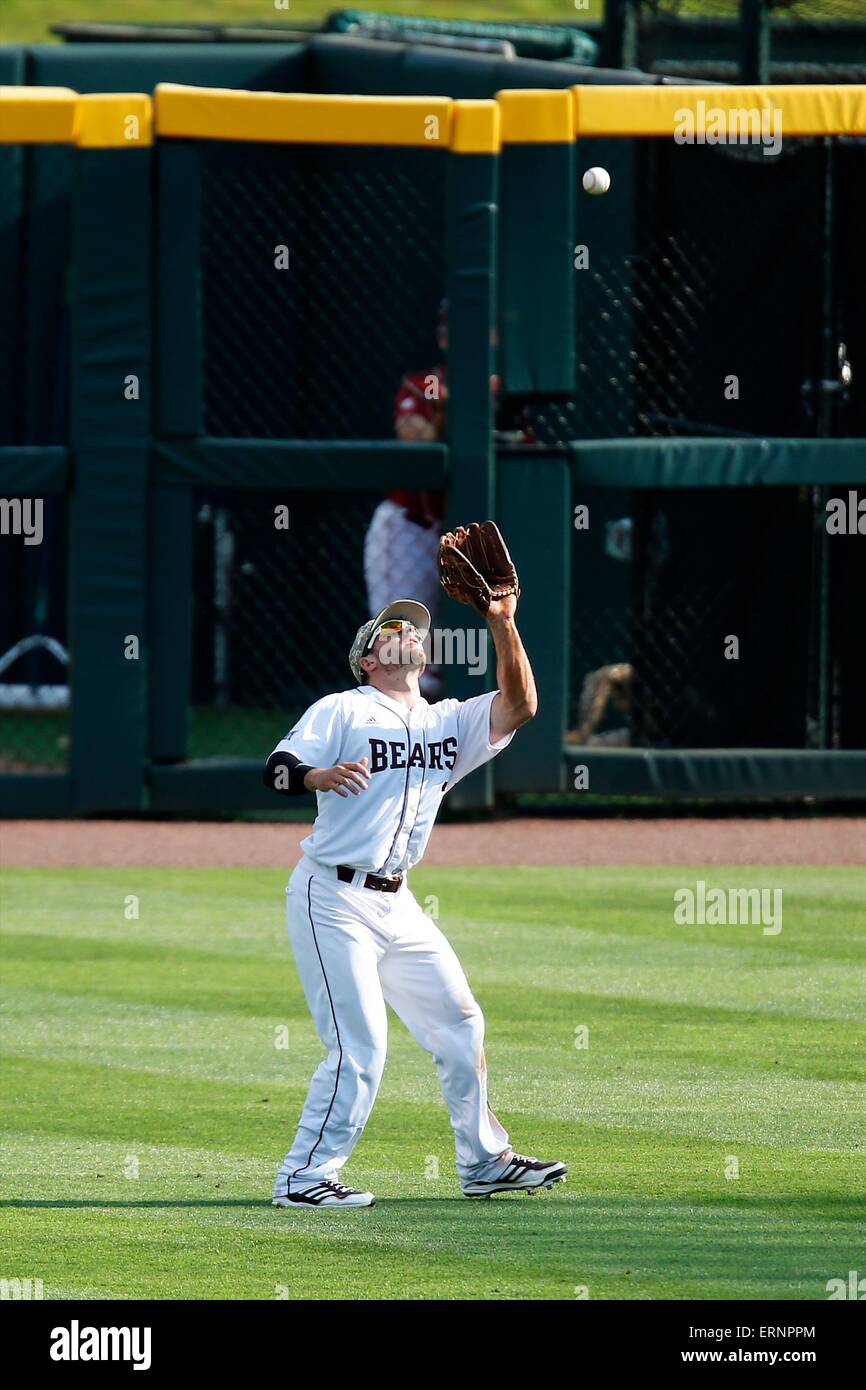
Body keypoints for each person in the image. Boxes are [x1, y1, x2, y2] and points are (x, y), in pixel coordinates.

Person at [262, 592, 567, 1207]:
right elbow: (275, 769)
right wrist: (314, 776)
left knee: (460, 1023)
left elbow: (522, 704)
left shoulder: (446, 721)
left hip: (399, 903)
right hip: (332, 896)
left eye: (416, 629)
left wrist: (502, 622)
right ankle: (303, 1178)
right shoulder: (341, 709)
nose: (409, 633)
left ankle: (483, 1162)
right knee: (360, 1044)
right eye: (392, 629)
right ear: (367, 659)